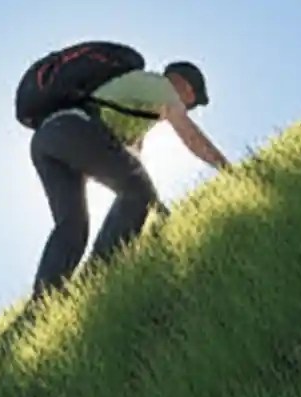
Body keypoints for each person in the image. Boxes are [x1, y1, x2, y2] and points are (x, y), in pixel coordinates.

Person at [27, 58, 231, 302]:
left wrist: (158, 210)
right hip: (74, 129)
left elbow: (131, 166)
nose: (189, 107)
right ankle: (95, 281)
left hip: (46, 139)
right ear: (183, 85)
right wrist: (229, 171)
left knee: (72, 225)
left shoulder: (139, 107)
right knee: (137, 194)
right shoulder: (161, 86)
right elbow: (190, 136)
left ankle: (41, 305)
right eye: (193, 100)